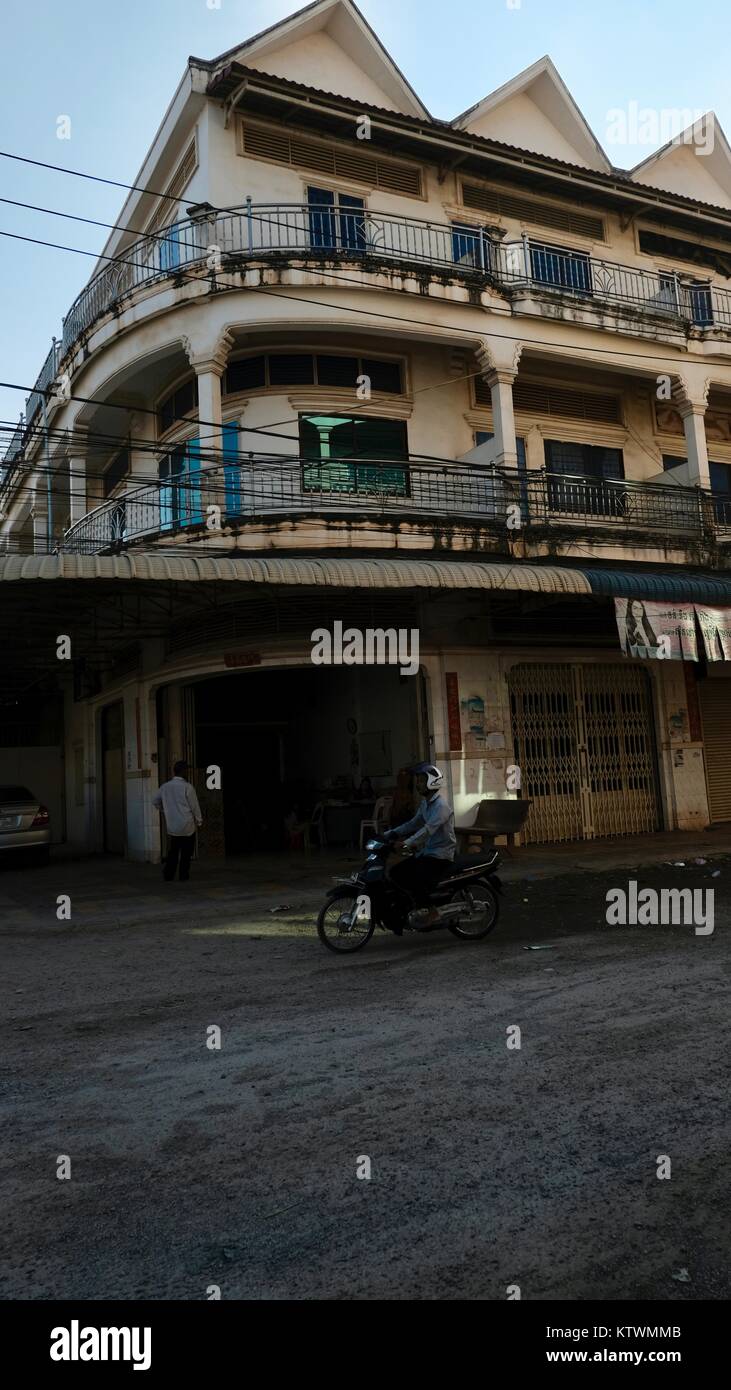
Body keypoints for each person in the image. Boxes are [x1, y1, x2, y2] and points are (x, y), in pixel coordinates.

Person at [386, 762, 456, 930]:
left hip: (440, 855)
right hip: (428, 852)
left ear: (432, 782)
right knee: (396, 872)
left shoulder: (441, 807)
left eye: (421, 780)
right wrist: (390, 834)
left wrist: (406, 843)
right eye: (417, 780)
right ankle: (413, 907)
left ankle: (431, 910)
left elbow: (427, 831)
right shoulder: (426, 803)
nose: (417, 784)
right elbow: (413, 823)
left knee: (413, 876)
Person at [152, 760, 203, 882]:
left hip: (173, 826)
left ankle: (168, 875)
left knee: (173, 852)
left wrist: (165, 811)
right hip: (187, 826)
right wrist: (199, 820)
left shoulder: (165, 787)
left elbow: (155, 801)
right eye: (187, 770)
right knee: (186, 853)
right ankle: (183, 875)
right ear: (183, 771)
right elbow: (194, 806)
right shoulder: (188, 787)